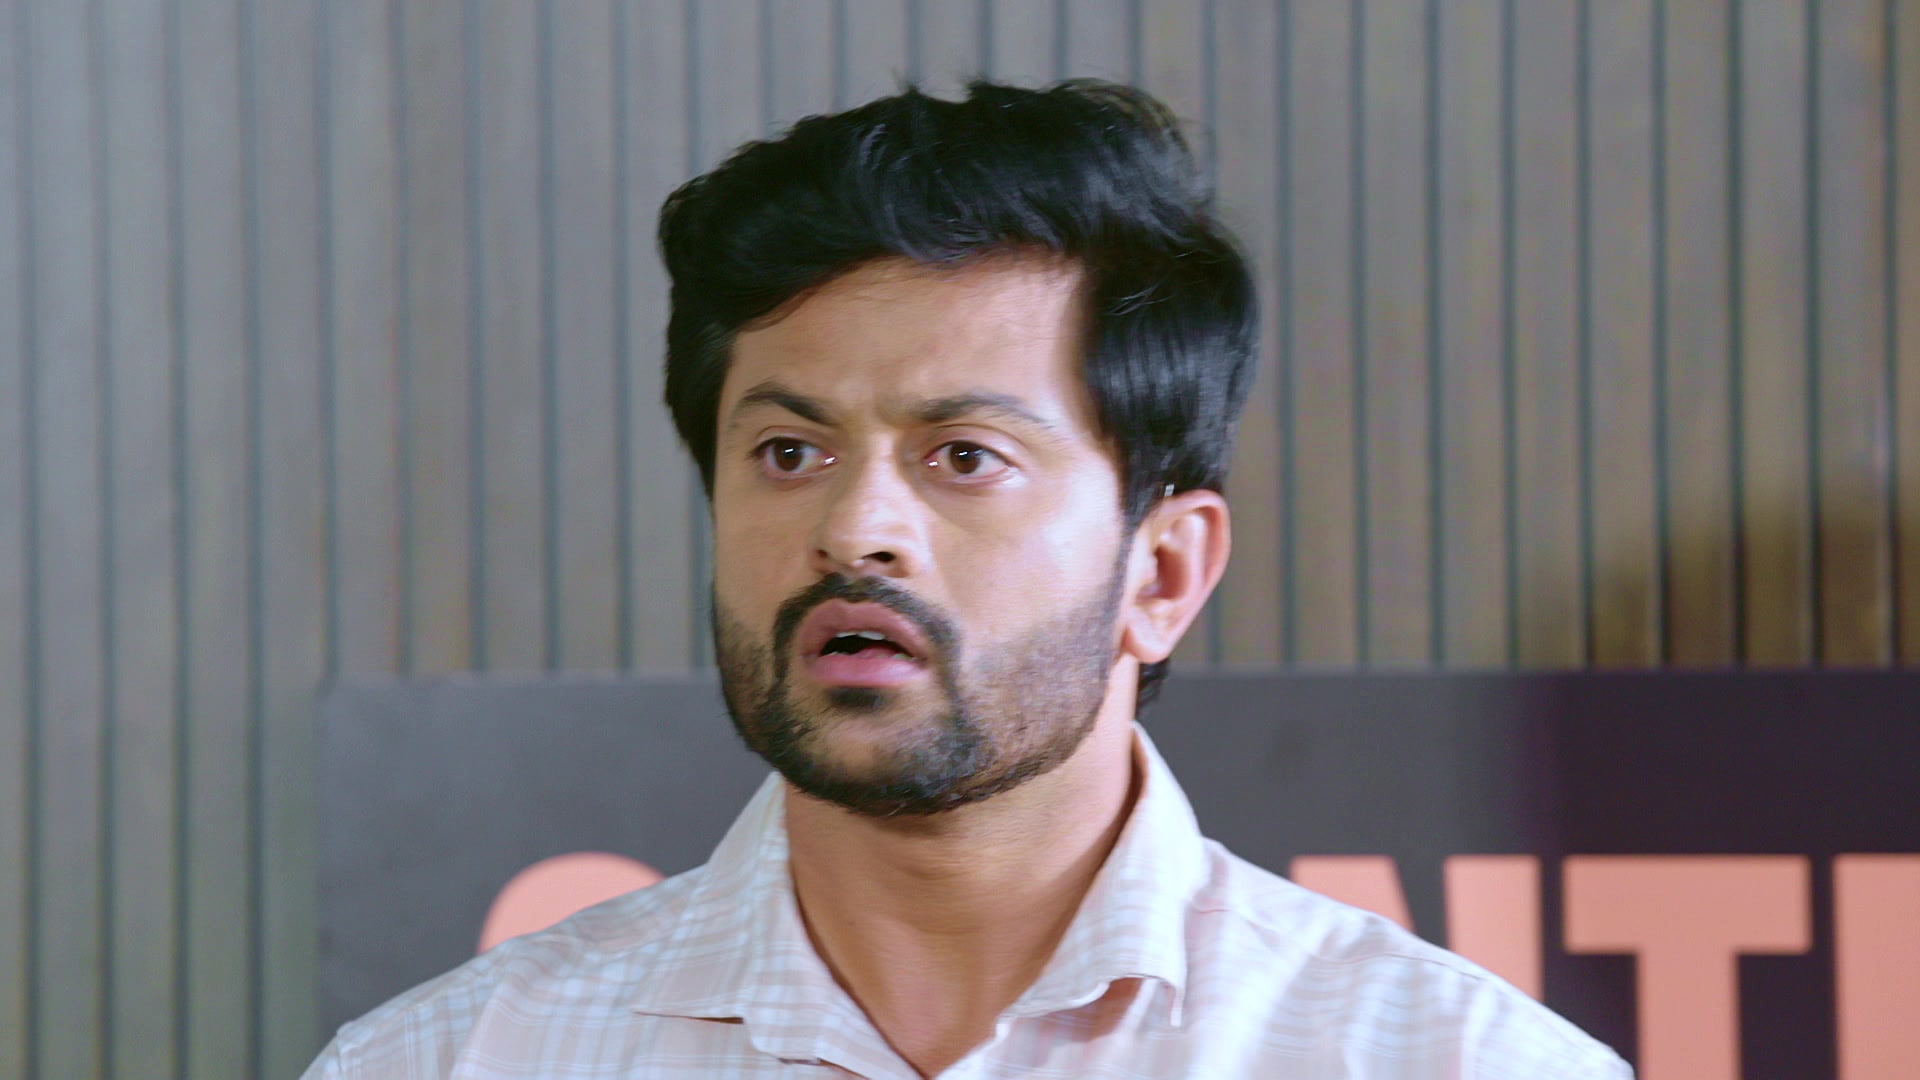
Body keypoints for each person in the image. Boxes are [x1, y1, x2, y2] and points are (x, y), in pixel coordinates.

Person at [304, 79, 1629, 1079]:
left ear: (1163, 571)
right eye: (789, 452)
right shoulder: (455, 1061)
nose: (856, 529)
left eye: (965, 457)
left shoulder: (1450, 1060)